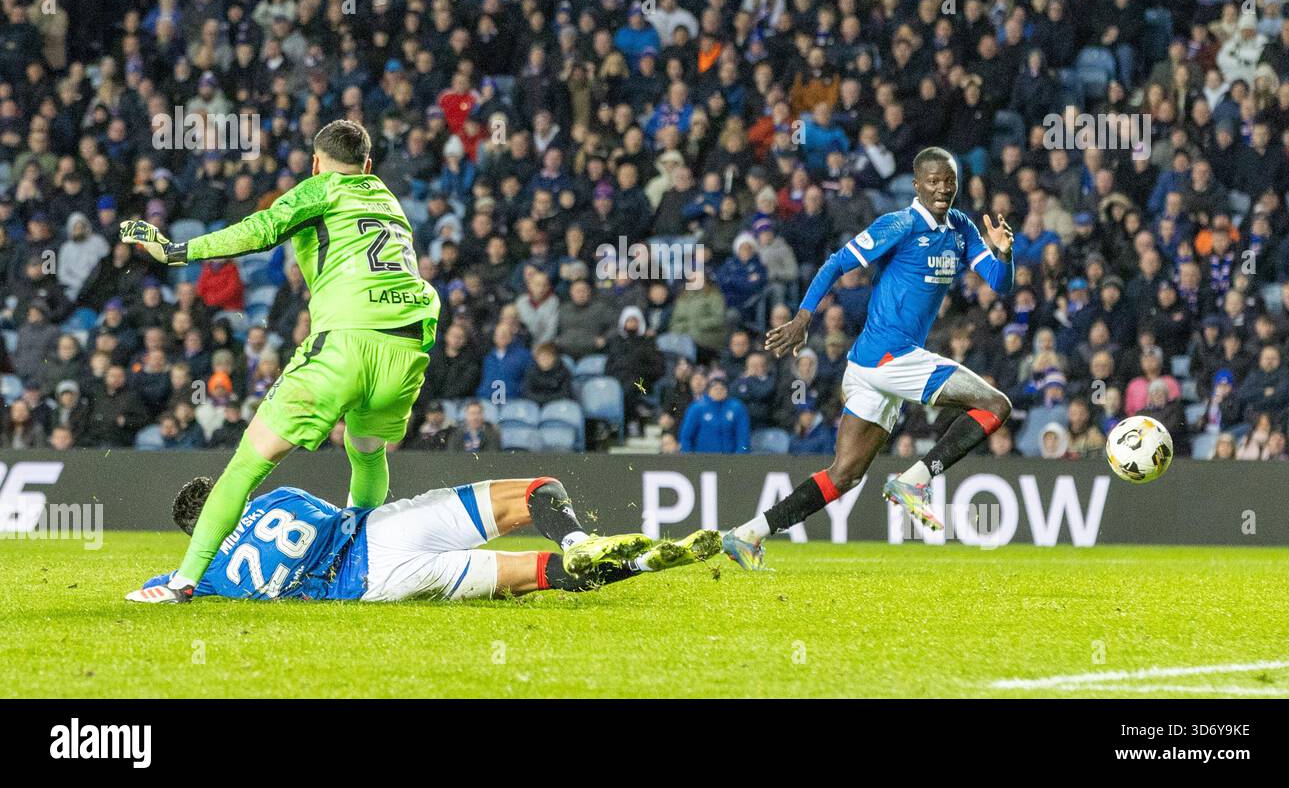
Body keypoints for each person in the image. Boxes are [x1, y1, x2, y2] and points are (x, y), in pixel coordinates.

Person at [121, 121, 441, 603]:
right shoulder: (389, 202)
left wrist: (175, 251)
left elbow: (261, 229)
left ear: (316, 163)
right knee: (367, 448)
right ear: (369, 165)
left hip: (346, 343)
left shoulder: (321, 189)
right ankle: (360, 559)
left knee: (246, 465)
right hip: (406, 344)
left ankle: (181, 583)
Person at [722, 147, 1015, 569]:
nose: (942, 188)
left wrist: (1004, 252)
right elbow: (835, 264)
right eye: (933, 180)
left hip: (873, 366)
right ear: (916, 184)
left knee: (845, 475)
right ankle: (915, 481)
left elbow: (999, 285)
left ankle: (748, 535)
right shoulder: (899, 224)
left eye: (949, 181)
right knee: (996, 405)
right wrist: (804, 317)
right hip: (887, 356)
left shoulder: (962, 228)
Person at [132, 475, 720, 603]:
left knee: (533, 577)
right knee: (537, 491)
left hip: (374, 586)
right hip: (383, 530)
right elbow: (354, 505)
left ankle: (641, 563)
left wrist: (174, 583)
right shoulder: (279, 498)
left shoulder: (201, 573)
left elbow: (150, 594)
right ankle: (577, 539)